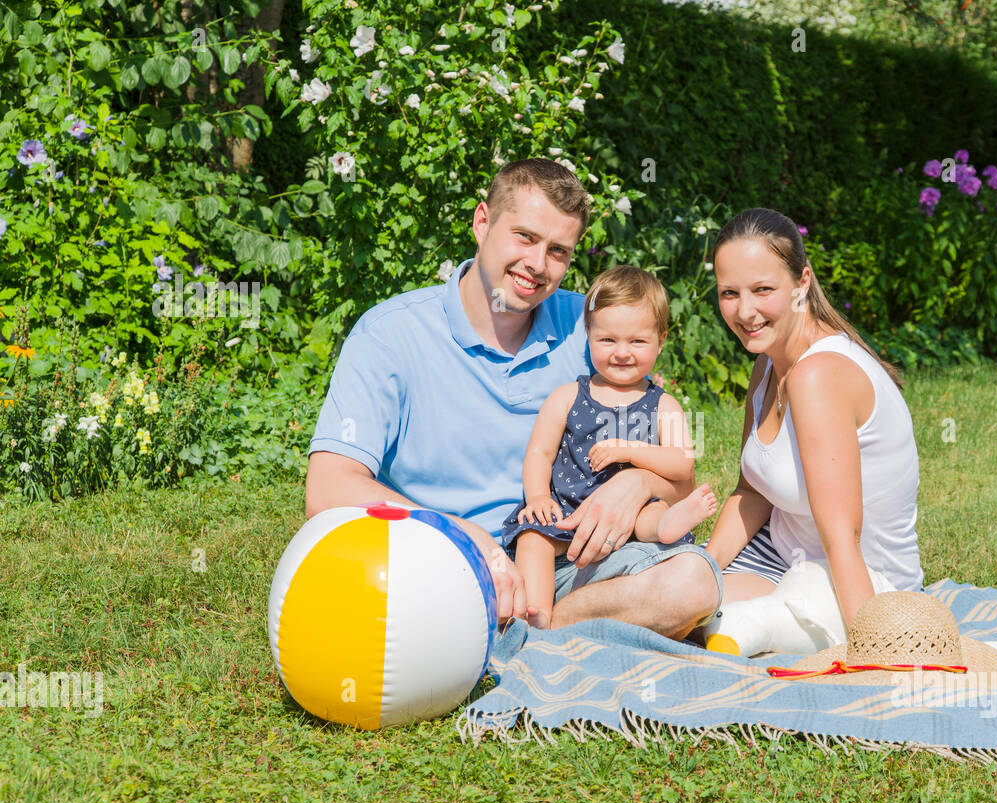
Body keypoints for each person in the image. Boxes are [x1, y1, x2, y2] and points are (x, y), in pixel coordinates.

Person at [304, 158, 723, 639]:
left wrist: (639, 483)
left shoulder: (590, 329)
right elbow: (328, 488)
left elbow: (678, 474)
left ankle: (536, 631)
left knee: (692, 584)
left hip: (570, 563)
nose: (538, 265)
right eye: (524, 237)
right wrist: (465, 536)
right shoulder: (391, 334)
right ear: (482, 222)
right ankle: (547, 634)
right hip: (441, 563)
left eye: (559, 251)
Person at [703, 207, 924, 641]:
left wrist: (873, 647)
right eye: (729, 293)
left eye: (762, 289)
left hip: (862, 583)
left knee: (696, 620)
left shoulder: (818, 374)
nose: (745, 311)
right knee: (671, 594)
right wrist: (701, 569)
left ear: (801, 283)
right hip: (783, 555)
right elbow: (751, 491)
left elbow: (842, 536)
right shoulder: (768, 364)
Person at [501, 264, 719, 628]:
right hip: (567, 512)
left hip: (633, 520)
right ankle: (534, 615)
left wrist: (631, 451)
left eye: (637, 341)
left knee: (651, 516)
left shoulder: (663, 405)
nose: (622, 352)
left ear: (661, 341)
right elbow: (539, 452)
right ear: (589, 336)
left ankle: (669, 527)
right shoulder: (569, 395)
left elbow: (682, 464)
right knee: (533, 537)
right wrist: (539, 497)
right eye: (607, 340)